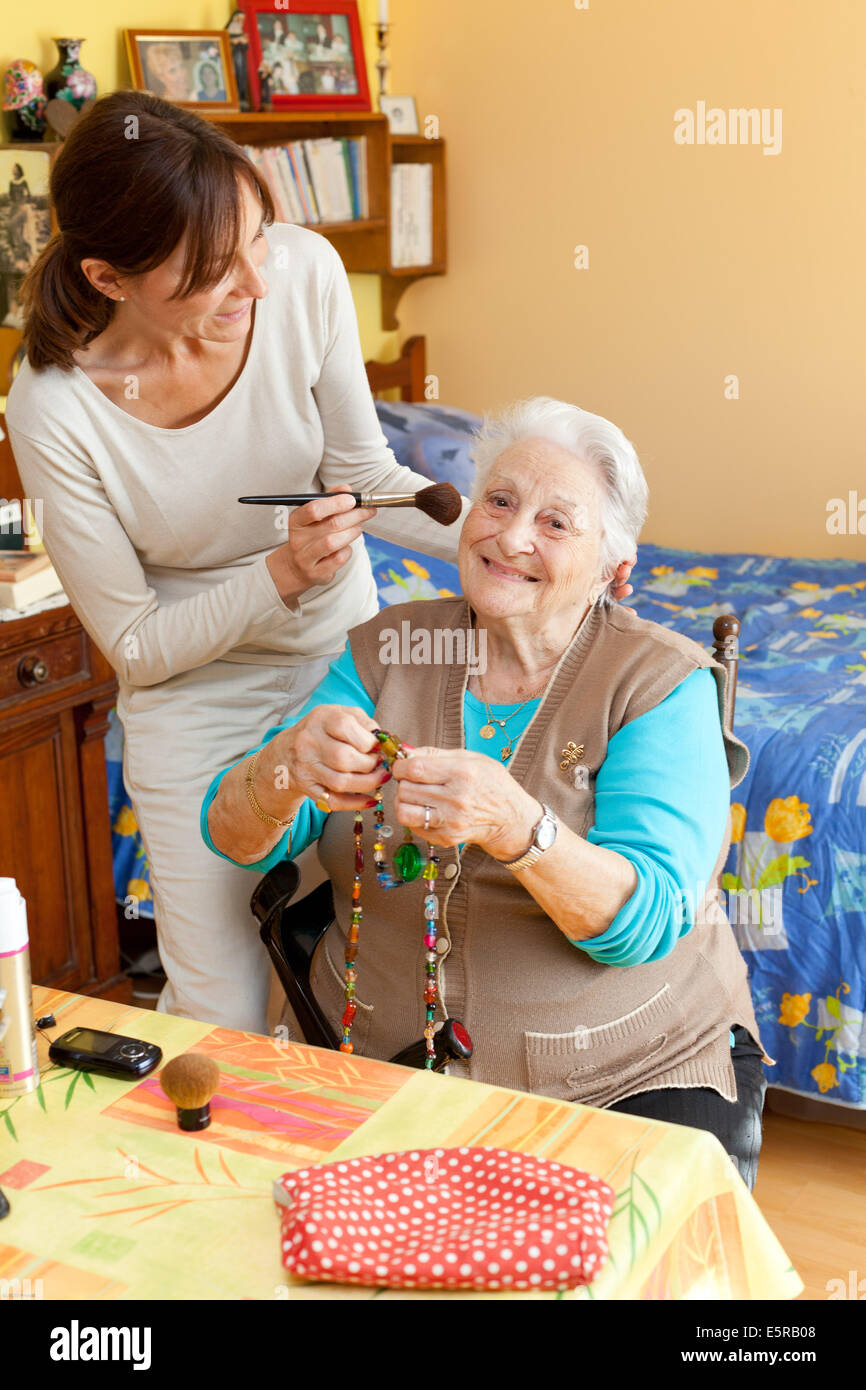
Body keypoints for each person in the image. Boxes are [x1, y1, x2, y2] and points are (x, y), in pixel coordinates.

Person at [5, 92, 629, 1034]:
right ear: (107, 276)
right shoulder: (54, 406)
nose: (258, 281)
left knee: (357, 967)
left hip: (349, 667)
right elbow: (133, 647)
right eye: (216, 272)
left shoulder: (301, 272)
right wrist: (280, 576)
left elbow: (368, 475)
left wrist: (522, 551)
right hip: (193, 703)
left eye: (258, 237)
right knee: (224, 1011)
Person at [204, 396, 772, 1191]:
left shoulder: (656, 685)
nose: (510, 536)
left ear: (616, 569)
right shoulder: (390, 651)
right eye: (498, 501)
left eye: (555, 522)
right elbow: (232, 835)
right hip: (371, 1059)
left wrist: (520, 828)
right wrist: (284, 769)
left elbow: (641, 923)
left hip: (626, 1077)